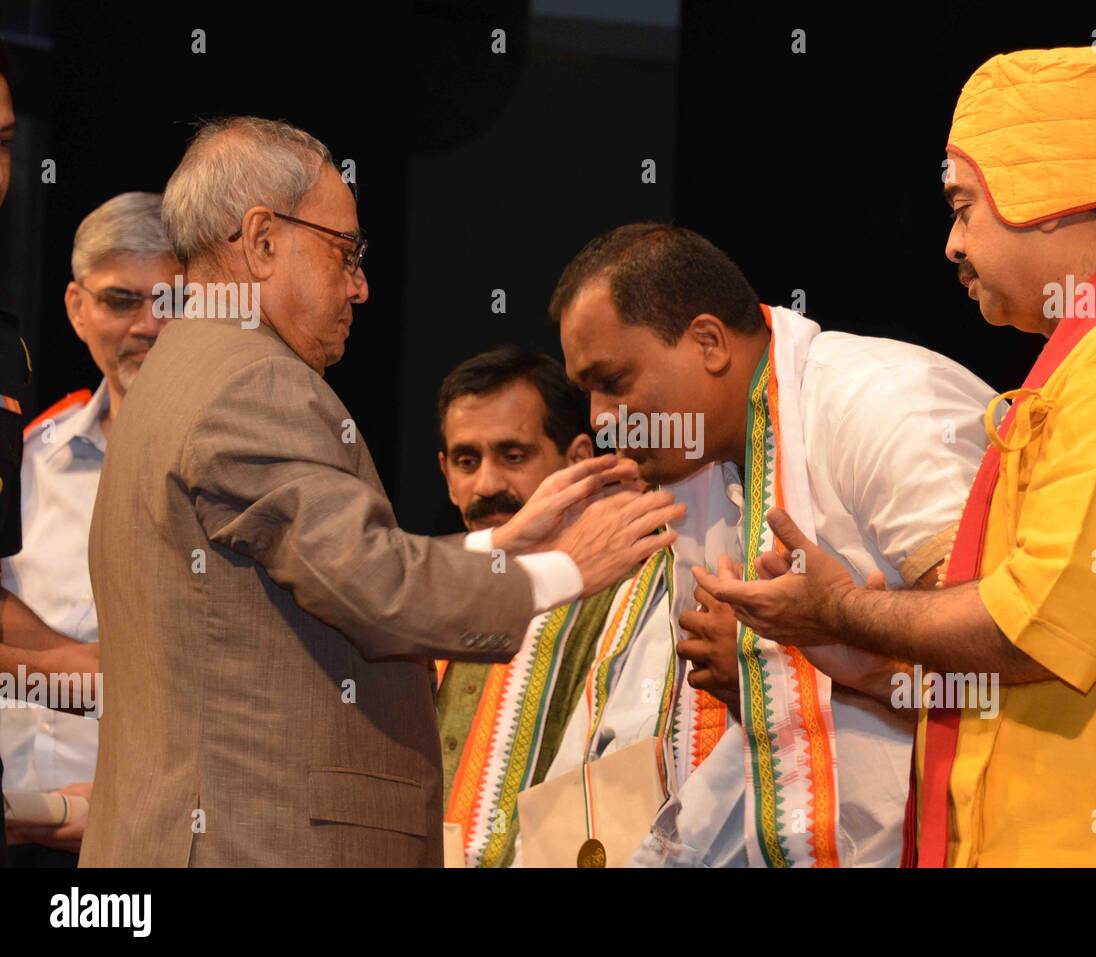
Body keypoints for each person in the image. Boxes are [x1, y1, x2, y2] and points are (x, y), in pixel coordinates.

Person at [693, 45, 1096, 866]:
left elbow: (1028, 629)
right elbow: (1024, 669)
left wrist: (839, 609)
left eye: (963, 205)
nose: (950, 242)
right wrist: (867, 664)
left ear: (1047, 197)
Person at [78, 117, 682, 867]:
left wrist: (503, 542)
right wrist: (567, 569)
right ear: (263, 241)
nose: (360, 285)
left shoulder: (175, 377)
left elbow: (321, 567)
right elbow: (375, 589)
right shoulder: (252, 381)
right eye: (345, 251)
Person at [548, 223, 996, 866]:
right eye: (586, 392)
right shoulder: (707, 471)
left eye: (613, 381)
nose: (598, 419)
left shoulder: (879, 407)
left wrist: (787, 669)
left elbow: (1009, 672)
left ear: (708, 342)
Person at [0, 192, 178, 866]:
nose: (148, 325)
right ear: (76, 308)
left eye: (172, 302)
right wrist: (79, 665)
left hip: (139, 835)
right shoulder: (28, 452)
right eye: (120, 300)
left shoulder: (238, 473)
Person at [434, 345, 627, 867]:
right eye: (466, 461)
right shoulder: (422, 598)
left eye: (513, 455)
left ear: (580, 459)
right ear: (446, 473)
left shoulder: (629, 593)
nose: (488, 485)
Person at [0, 39, 102, 869]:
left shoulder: (9, 356)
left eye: (2, 145)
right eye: (119, 297)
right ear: (79, 305)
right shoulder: (46, 446)